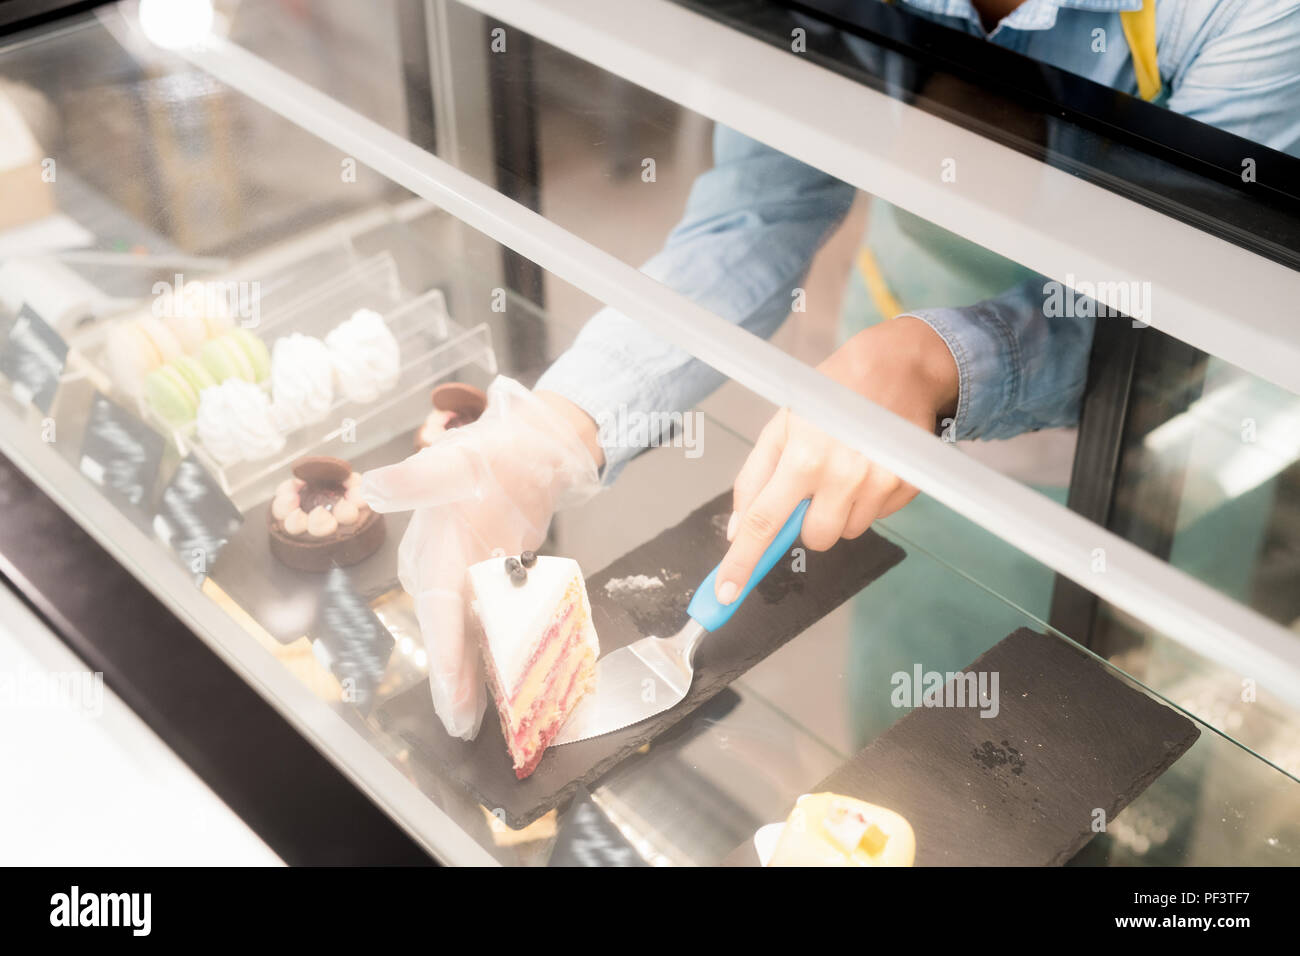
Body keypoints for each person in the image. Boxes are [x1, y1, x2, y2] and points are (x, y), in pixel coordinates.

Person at [362, 0, 1300, 738]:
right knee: (915, 766)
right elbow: (764, 203)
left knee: (1111, 784)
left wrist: (939, 362)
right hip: (882, 403)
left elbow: (1171, 309)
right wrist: (555, 429)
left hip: (1151, 475)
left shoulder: (1246, 14)